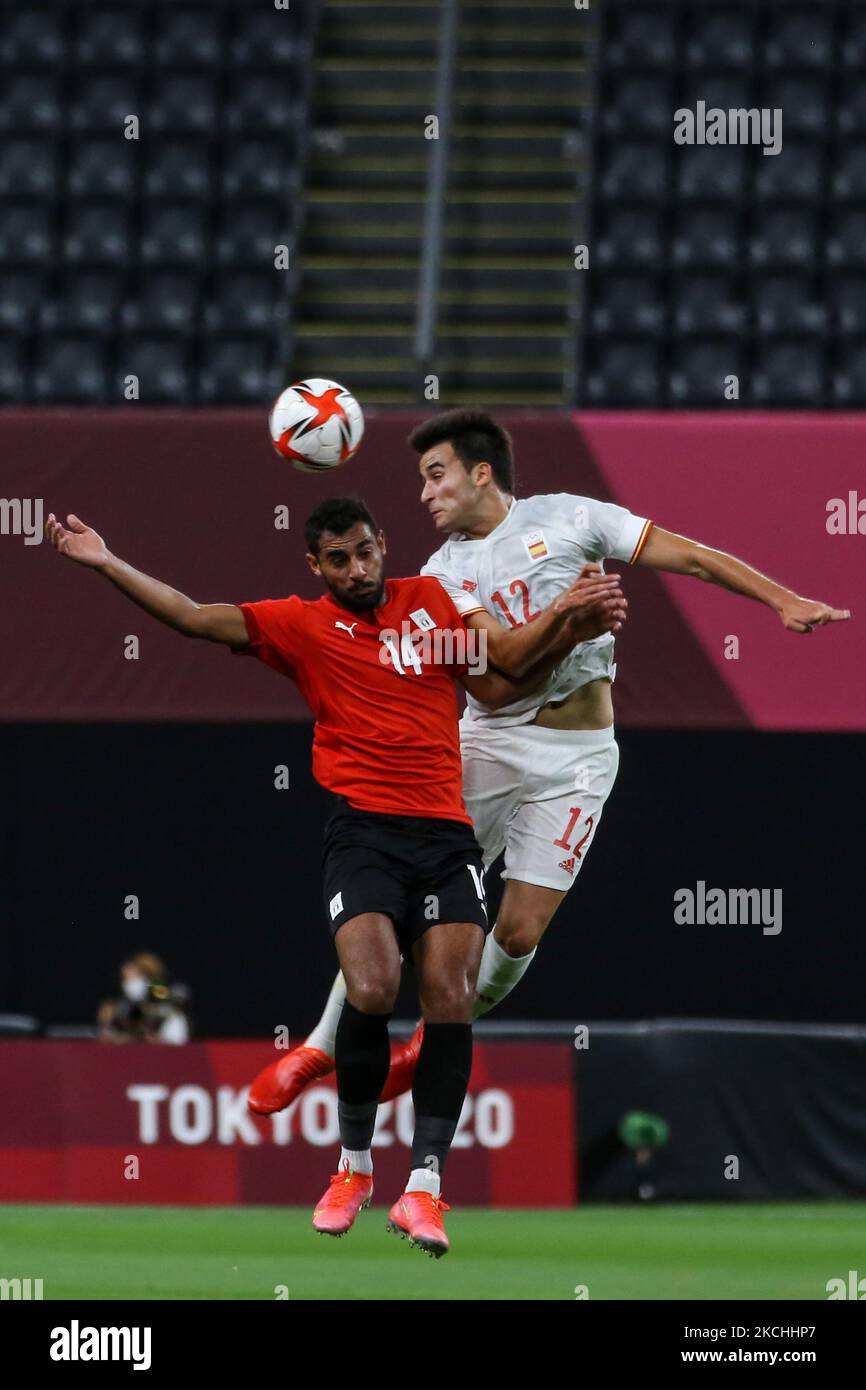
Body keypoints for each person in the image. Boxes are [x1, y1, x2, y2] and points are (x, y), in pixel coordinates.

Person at [45, 494, 625, 1257]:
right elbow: (191, 615)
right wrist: (106, 562)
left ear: (383, 544)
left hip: (446, 834)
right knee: (375, 986)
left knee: (450, 995)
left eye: (365, 551)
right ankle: (352, 1168)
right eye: (339, 559)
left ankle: (425, 1189)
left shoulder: (433, 603)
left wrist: (568, 625)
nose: (357, 568)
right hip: (366, 836)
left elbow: (500, 680)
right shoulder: (302, 625)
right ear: (315, 565)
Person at [263, 407, 851, 1111]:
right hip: (489, 741)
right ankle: (322, 1044)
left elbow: (690, 555)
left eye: (436, 474)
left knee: (516, 931)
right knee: (390, 892)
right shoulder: (441, 575)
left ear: (482, 473)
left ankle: (430, 1039)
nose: (425, 494)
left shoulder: (573, 519)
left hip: (579, 757)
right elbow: (497, 668)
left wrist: (781, 599)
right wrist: (571, 621)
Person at [97, 952, 191, 1044]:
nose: (127, 983)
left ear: (146, 975)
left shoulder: (162, 992)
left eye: (134, 976)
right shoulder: (121, 1007)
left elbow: (162, 1009)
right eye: (124, 978)